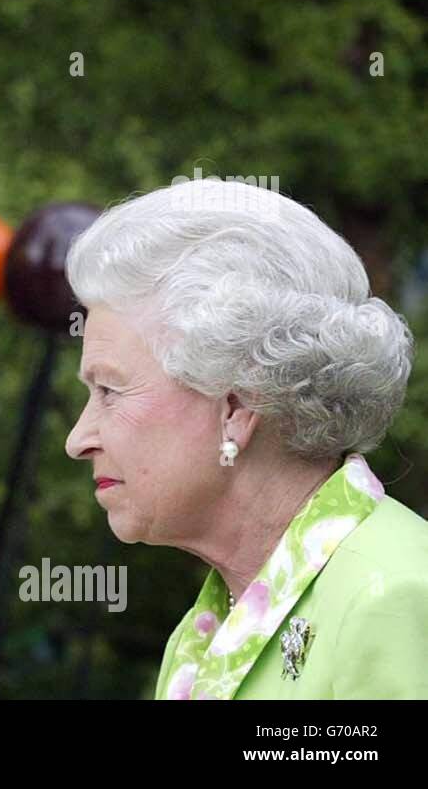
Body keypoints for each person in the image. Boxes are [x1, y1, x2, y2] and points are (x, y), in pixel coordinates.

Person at [63, 178, 428, 699]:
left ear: (235, 407)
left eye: (109, 390)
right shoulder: (205, 630)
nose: (78, 439)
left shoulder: (393, 595)